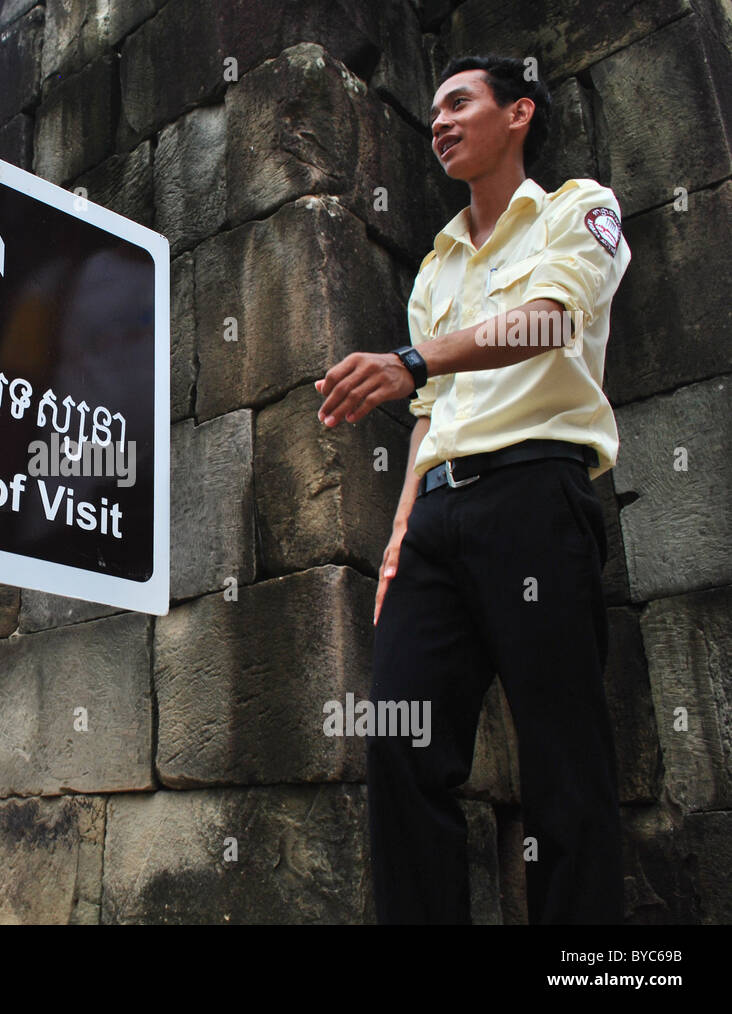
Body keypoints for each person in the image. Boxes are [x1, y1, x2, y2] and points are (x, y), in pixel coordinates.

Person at [313, 54, 630, 924]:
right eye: (433, 110)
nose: (439, 122)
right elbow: (432, 411)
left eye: (459, 102)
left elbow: (551, 318)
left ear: (518, 112)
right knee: (401, 748)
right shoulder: (435, 268)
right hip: (437, 519)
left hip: (538, 492)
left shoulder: (578, 208)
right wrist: (399, 531)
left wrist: (411, 358)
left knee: (565, 759)